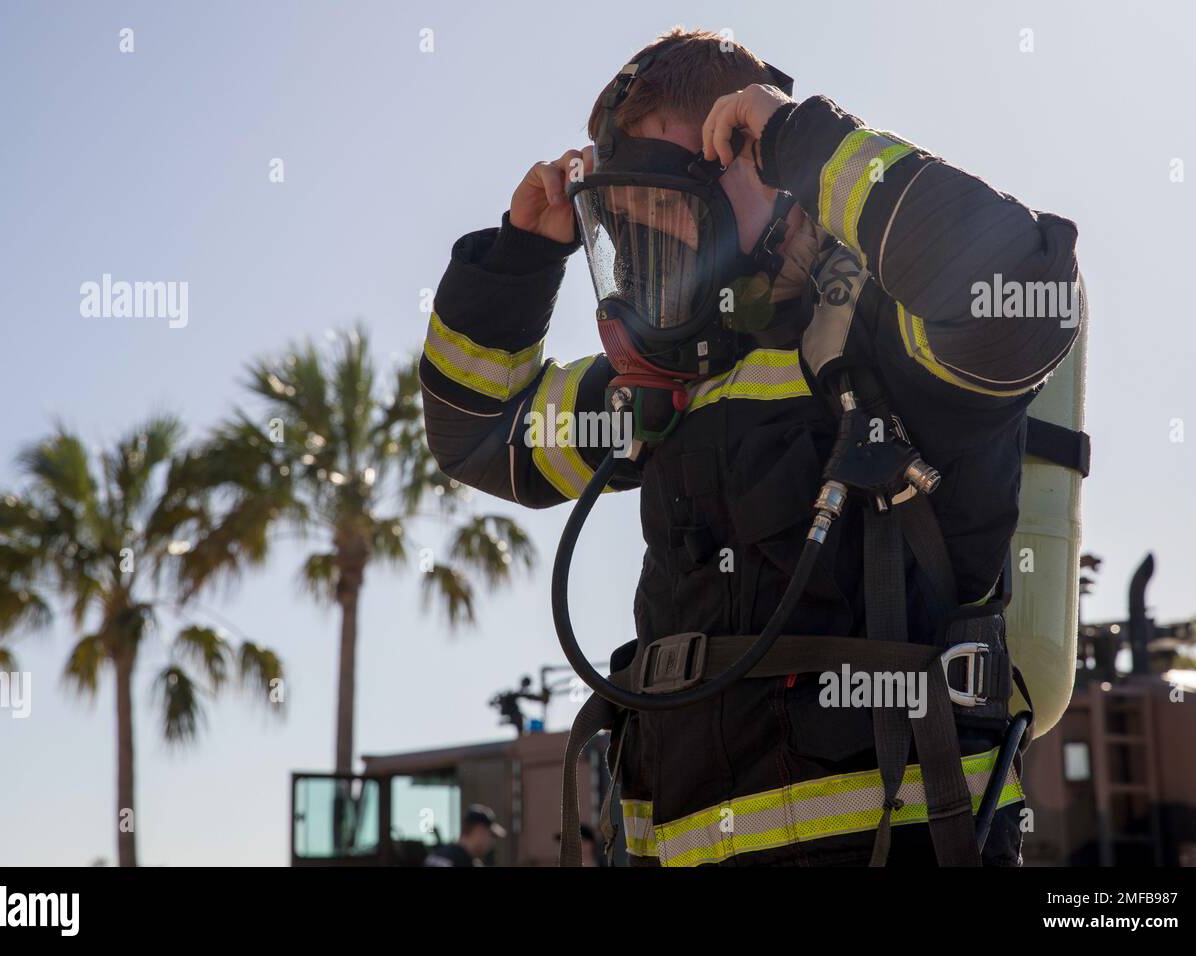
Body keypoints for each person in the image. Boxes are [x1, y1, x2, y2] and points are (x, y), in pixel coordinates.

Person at [420, 29, 1082, 867]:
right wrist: (517, 260)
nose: (647, 237)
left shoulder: (884, 341)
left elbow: (1025, 293)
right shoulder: (665, 382)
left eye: (668, 199)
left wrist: (804, 137)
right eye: (624, 215)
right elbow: (481, 438)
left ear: (756, 160)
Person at [423, 805, 507, 868]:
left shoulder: (439, 855)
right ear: (479, 831)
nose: (492, 842)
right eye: (491, 835)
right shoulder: (462, 862)